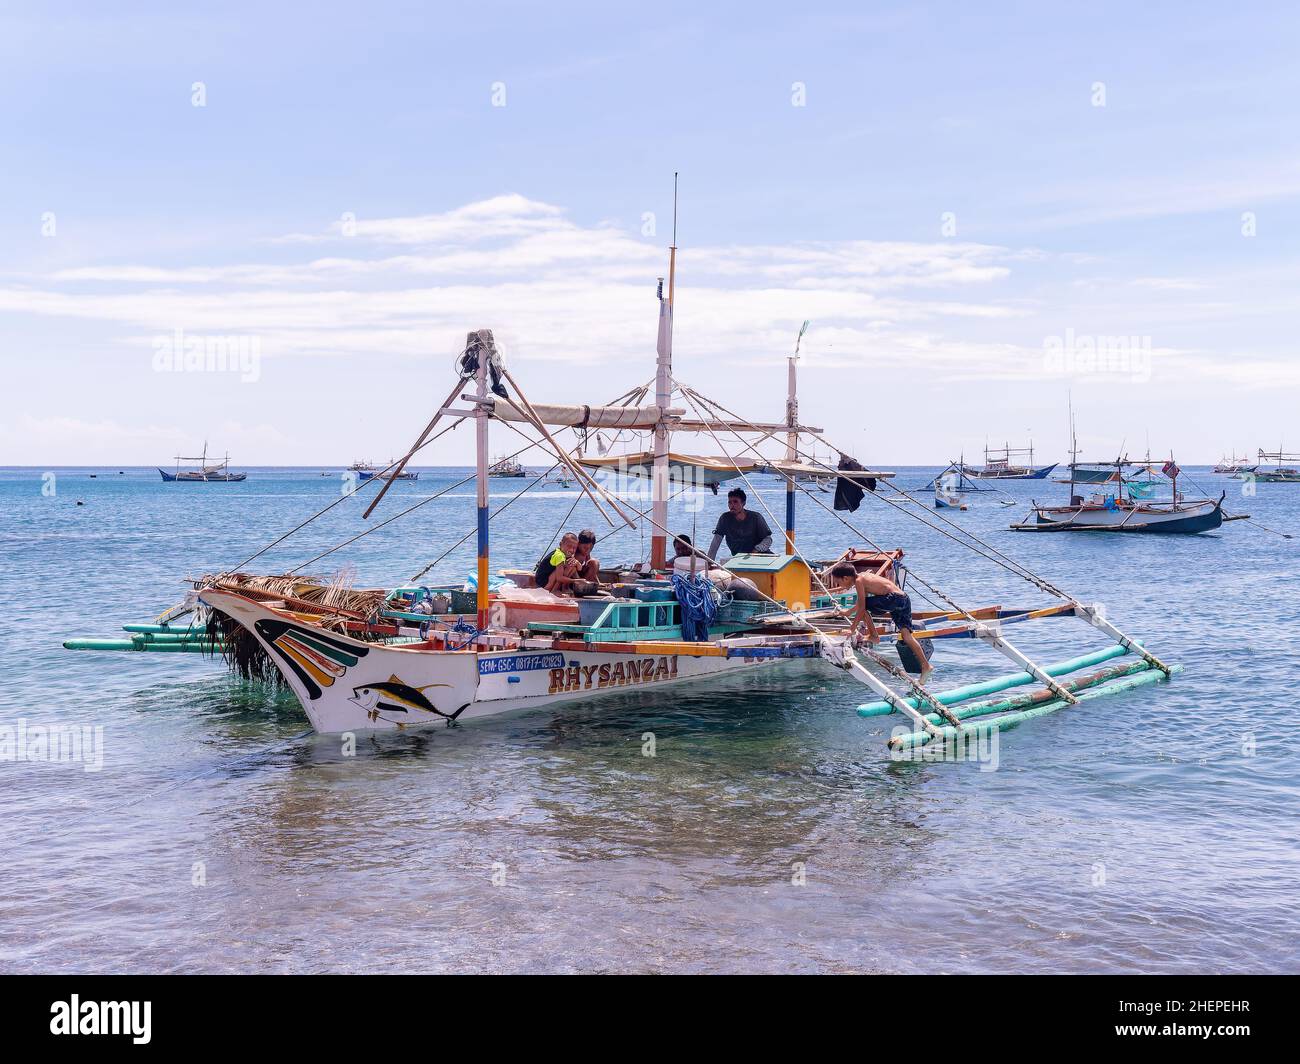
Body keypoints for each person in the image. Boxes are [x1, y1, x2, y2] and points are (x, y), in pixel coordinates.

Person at [830, 562, 931, 677]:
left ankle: (874, 636)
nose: (840, 586)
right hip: (904, 599)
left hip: (893, 599)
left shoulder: (858, 581)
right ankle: (925, 665)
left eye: (839, 582)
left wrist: (852, 629)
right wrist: (848, 612)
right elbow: (861, 603)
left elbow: (862, 607)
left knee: (864, 607)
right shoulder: (863, 576)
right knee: (907, 635)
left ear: (846, 578)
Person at [707, 488, 773, 559]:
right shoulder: (725, 518)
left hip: (762, 556)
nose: (732, 505)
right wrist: (710, 560)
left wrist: (755, 550)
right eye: (730, 502)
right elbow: (716, 541)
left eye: (735, 502)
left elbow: (768, 539)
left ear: (743, 503)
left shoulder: (755, 517)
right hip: (739, 558)